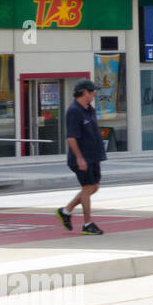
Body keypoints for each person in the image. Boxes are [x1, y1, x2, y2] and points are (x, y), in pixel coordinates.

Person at [56, 79, 106, 235]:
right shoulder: (74, 111)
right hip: (81, 157)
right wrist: (79, 158)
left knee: (94, 186)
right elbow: (71, 137)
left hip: (93, 155)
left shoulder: (89, 109)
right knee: (87, 187)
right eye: (92, 92)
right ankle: (87, 224)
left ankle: (66, 211)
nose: (94, 94)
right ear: (85, 92)